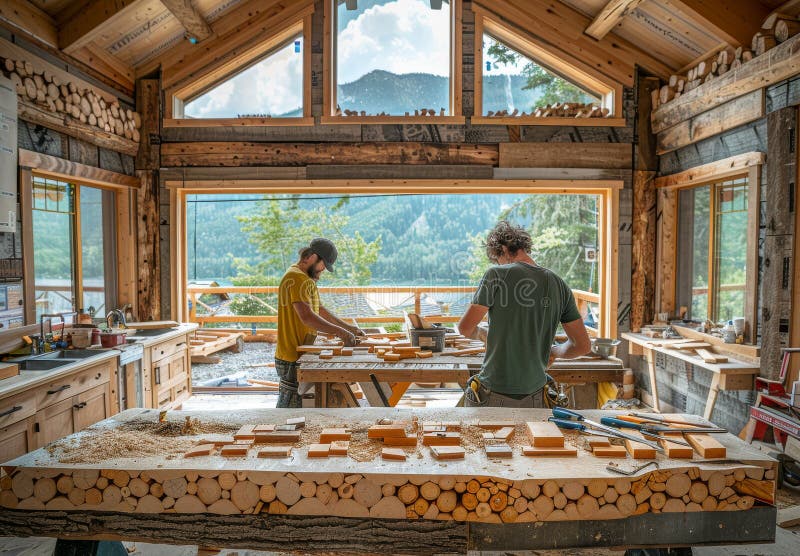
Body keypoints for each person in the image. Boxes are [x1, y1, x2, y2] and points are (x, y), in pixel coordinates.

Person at [458, 221, 591, 407]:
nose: (499, 264)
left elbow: (464, 328)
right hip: (536, 396)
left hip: (493, 392)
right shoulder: (559, 285)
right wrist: (554, 351)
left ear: (503, 249)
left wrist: (482, 334)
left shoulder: (496, 274)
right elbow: (582, 346)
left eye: (498, 259)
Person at [275, 238, 365, 408]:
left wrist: (348, 328)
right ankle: (278, 434)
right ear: (312, 257)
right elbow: (307, 317)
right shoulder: (296, 278)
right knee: (287, 410)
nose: (322, 271)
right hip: (291, 355)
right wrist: (342, 333)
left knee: (292, 407)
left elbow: (319, 310)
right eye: (323, 265)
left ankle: (285, 433)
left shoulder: (302, 276)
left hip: (299, 351)